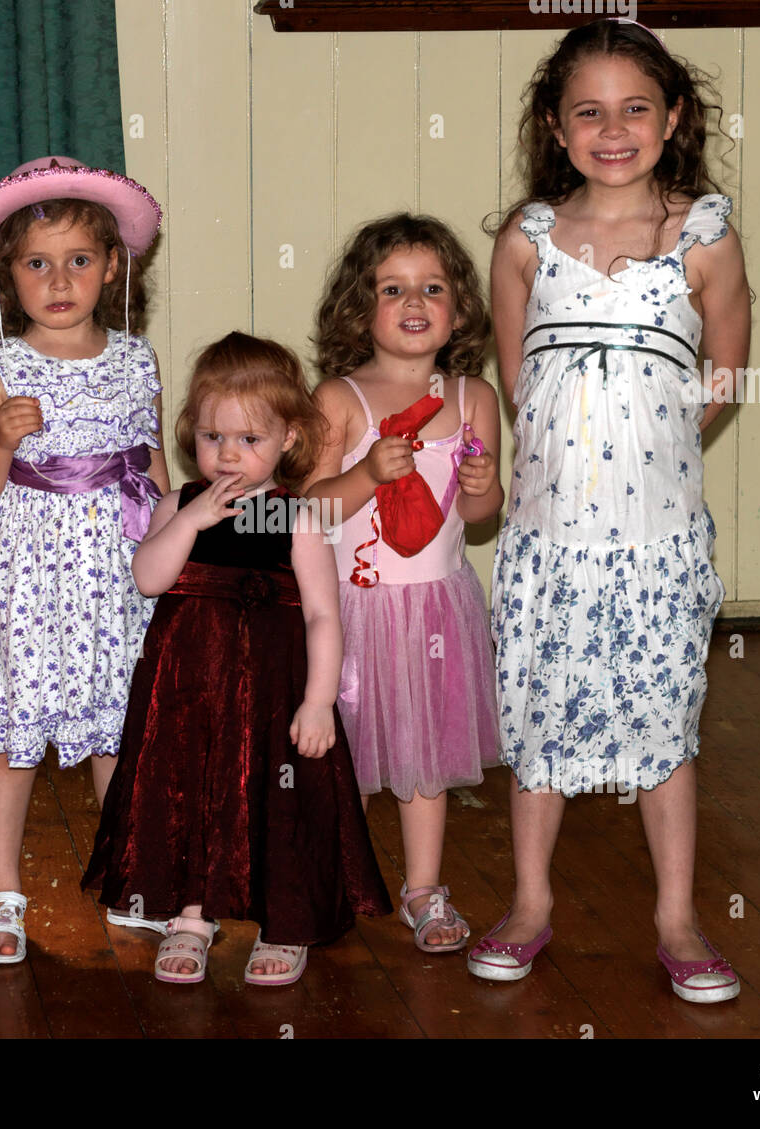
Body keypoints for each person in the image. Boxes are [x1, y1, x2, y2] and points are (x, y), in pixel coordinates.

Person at [479, 18, 749, 1002]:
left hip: (654, 541)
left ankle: (675, 916)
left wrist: (645, 440)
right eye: (587, 111)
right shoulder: (527, 241)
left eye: (635, 108)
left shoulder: (702, 237)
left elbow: (723, 374)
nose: (612, 128)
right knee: (538, 724)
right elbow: (519, 380)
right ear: (555, 127)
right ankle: (529, 901)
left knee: (663, 727)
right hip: (551, 539)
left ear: (672, 116)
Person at [82, 332, 391, 986]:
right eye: (211, 437)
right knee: (190, 797)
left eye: (249, 439)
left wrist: (317, 699)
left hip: (275, 693)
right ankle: (191, 914)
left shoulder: (297, 517)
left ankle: (285, 921)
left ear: (289, 441)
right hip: (187, 695)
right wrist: (189, 521)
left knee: (277, 802)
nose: (228, 453)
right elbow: (147, 577)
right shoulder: (178, 505)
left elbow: (322, 614)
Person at [0, 156, 169, 964]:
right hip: (30, 574)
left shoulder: (136, 360)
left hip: (113, 573)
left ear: (112, 267)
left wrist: (171, 561)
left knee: (117, 726)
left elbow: (155, 476)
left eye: (80, 259)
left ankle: (123, 874)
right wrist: (2, 438)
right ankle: (1, 890)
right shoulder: (2, 368)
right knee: (14, 734)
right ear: (7, 275)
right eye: (38, 263)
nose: (61, 279)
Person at [305, 214, 503, 953]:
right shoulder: (338, 398)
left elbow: (479, 514)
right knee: (343, 748)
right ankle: (332, 875)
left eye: (432, 287)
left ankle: (424, 887)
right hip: (352, 609)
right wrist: (363, 474)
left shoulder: (472, 396)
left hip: (436, 607)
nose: (414, 301)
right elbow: (311, 510)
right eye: (393, 288)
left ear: (459, 309)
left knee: (425, 754)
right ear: (362, 307)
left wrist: (483, 485)